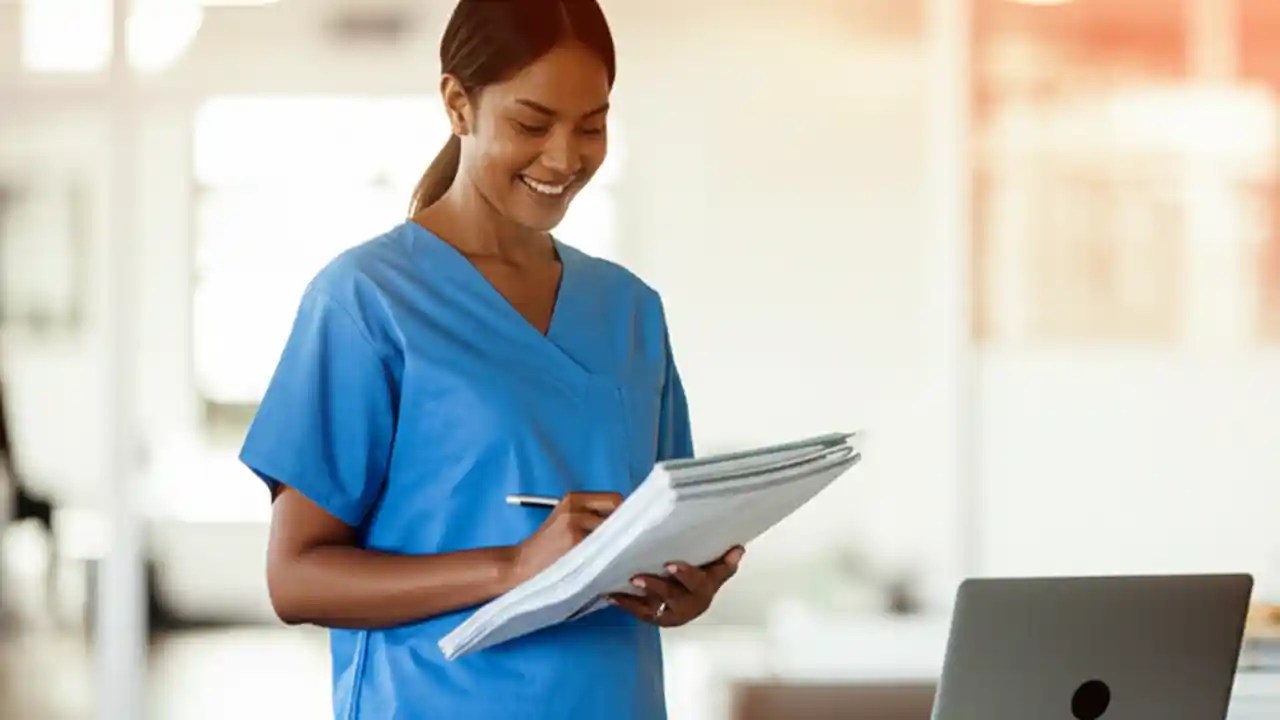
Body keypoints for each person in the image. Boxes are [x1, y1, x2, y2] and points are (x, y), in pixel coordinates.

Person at [239, 1, 745, 717]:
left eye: (591, 126)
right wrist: (513, 566)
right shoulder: (367, 301)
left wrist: (682, 591)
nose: (564, 158)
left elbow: (659, 538)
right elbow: (296, 580)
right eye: (532, 124)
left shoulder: (631, 310)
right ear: (458, 104)